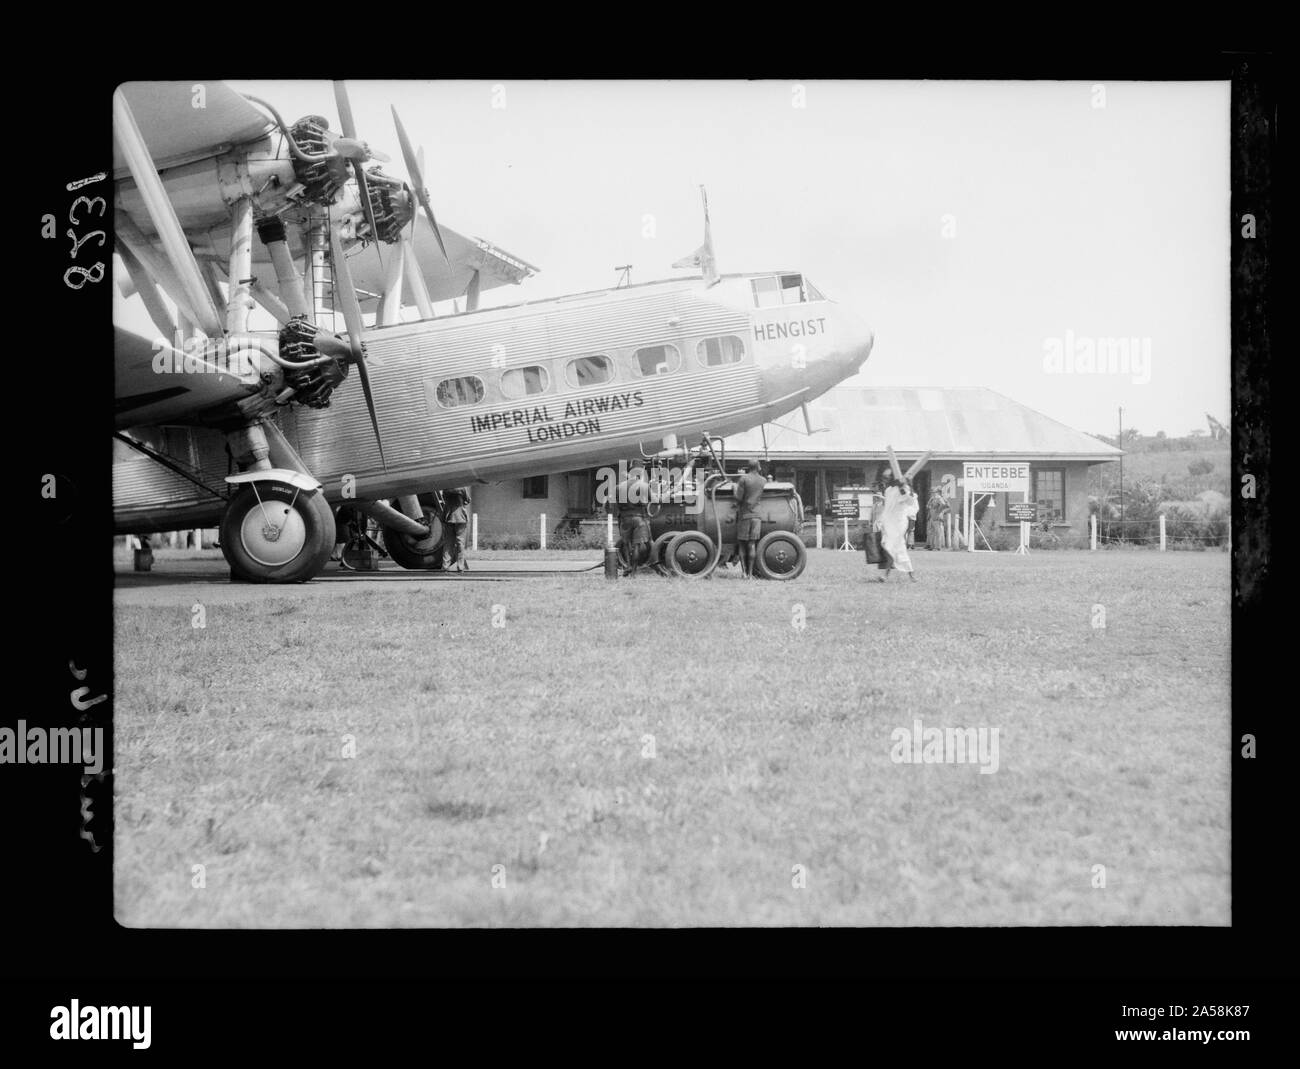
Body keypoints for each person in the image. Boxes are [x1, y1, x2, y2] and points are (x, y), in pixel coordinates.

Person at [873, 471, 920, 582]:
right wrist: (882, 521)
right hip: (889, 522)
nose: (884, 480)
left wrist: (903, 488)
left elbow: (910, 500)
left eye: (886, 477)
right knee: (890, 547)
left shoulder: (903, 488)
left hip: (899, 522)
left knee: (894, 546)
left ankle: (887, 575)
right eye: (884, 477)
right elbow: (889, 507)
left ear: (893, 478)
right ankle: (911, 574)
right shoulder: (888, 490)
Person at [612, 459, 652, 576]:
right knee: (637, 546)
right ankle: (634, 572)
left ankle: (627, 567)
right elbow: (654, 499)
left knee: (626, 544)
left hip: (624, 518)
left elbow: (613, 504)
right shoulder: (644, 486)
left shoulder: (619, 487)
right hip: (639, 518)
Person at [732, 459, 768, 578]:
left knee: (742, 544)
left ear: (748, 467)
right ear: (758, 467)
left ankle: (744, 573)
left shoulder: (744, 479)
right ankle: (751, 573)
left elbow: (739, 498)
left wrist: (734, 489)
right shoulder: (763, 480)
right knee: (752, 544)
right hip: (757, 515)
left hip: (745, 514)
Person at [441, 486, 472, 572]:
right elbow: (468, 499)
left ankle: (445, 566)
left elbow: (444, 498)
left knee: (448, 543)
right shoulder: (462, 488)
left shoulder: (446, 488)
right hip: (460, 518)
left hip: (448, 517)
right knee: (460, 543)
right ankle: (460, 566)